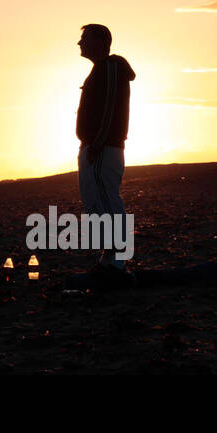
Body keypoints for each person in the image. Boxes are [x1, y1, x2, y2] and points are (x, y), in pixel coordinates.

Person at [76, 24, 135, 278]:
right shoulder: (100, 70)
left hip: (103, 147)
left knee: (107, 200)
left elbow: (110, 106)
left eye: (84, 39)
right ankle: (109, 258)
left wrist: (98, 143)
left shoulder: (110, 68)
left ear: (100, 42)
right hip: (94, 146)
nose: (80, 43)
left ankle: (118, 260)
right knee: (94, 201)